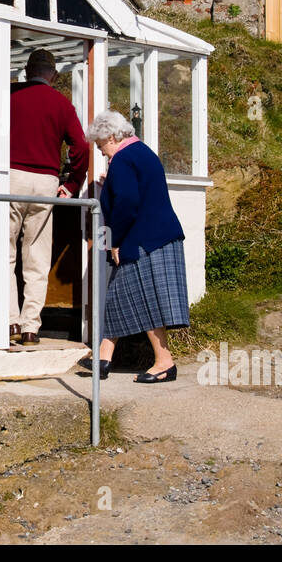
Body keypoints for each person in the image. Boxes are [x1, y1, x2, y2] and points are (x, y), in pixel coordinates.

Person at [79, 110, 188, 383]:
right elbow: (133, 191)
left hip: (145, 240)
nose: (102, 152)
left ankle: (164, 362)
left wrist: (114, 241)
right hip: (155, 236)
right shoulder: (141, 152)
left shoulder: (123, 159)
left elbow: (127, 202)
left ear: (113, 137)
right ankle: (103, 357)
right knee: (119, 296)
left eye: (102, 145)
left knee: (145, 299)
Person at [8, 49, 89, 346]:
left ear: (28, 71)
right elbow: (81, 146)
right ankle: (31, 326)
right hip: (45, 181)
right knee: (37, 257)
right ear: (53, 75)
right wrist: (71, 184)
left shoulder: (10, 95)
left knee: (6, 254)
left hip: (10, 176)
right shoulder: (62, 103)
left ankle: (9, 322)